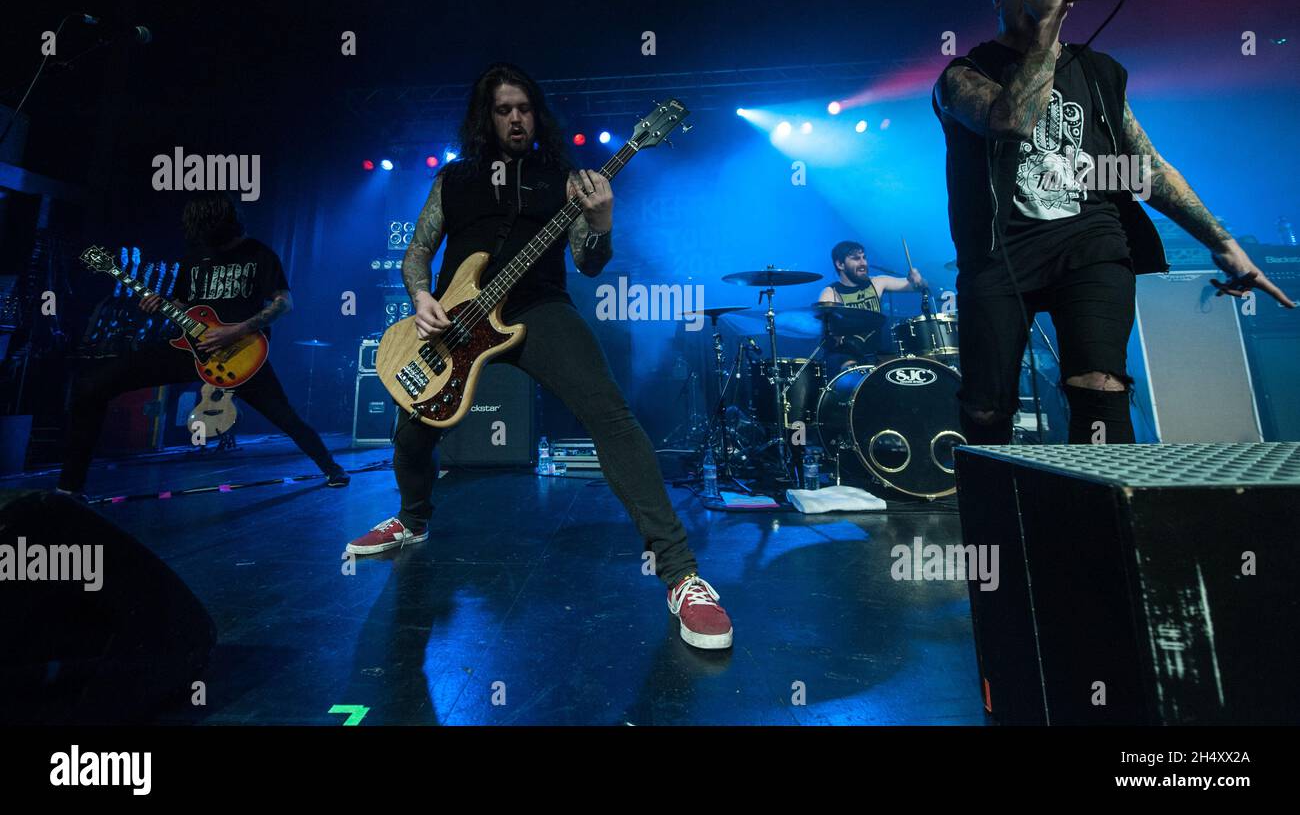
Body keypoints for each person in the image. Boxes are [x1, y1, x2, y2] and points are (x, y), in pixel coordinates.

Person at [344, 63, 733, 651]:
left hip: (538, 309)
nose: (516, 118)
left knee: (611, 417)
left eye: (524, 107)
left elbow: (590, 263)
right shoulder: (454, 179)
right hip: (453, 320)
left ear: (537, 112)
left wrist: (600, 220)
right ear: (487, 117)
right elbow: (419, 249)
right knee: (413, 430)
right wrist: (422, 296)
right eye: (503, 109)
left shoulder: (569, 179)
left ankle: (681, 575)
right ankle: (412, 519)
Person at [932, 0, 1294, 445]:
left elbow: (1145, 165)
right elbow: (1013, 122)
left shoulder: (1100, 73)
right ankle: (1004, 522)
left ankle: (1103, 523)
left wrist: (1222, 242)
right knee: (987, 411)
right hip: (998, 253)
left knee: (1099, 383)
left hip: (1091, 242)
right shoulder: (962, 75)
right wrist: (1044, 38)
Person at [58, 193, 349, 494]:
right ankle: (69, 488)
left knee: (286, 418)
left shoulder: (260, 255)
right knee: (92, 387)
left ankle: (332, 468)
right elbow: (184, 304)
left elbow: (284, 303)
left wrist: (234, 332)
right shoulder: (195, 256)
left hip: (241, 355)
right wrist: (159, 304)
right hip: (189, 348)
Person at [817, 240, 926, 370]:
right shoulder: (830, 293)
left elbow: (918, 287)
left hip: (879, 356)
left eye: (864, 257)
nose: (863, 263)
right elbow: (827, 338)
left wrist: (918, 280)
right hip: (848, 358)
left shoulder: (877, 283)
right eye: (856, 259)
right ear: (840, 264)